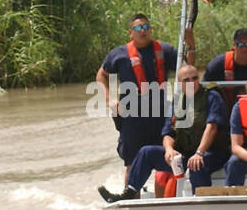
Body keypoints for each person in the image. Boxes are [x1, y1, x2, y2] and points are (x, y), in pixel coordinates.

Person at [97, 64, 231, 202]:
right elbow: (168, 131)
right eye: (186, 80)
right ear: (180, 83)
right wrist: (169, 150)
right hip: (186, 154)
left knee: (195, 164)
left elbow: (212, 127)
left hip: (212, 153)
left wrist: (199, 153)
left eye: (195, 78)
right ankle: (129, 193)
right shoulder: (178, 101)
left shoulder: (212, 97)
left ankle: (202, 203)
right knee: (146, 152)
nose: (191, 82)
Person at [95, 14, 194, 181]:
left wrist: (191, 46)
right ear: (130, 32)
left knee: (168, 159)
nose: (143, 31)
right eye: (138, 28)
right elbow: (101, 76)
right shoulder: (119, 54)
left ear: (151, 30)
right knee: (131, 163)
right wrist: (109, 100)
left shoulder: (165, 50)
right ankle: (131, 197)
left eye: (146, 27)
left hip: (159, 114)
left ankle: (164, 200)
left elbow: (188, 69)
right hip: (132, 116)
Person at [202, 27, 247, 103]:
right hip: (222, 108)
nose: (244, 48)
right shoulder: (217, 65)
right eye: (240, 44)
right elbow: (203, 87)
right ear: (234, 45)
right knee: (213, 95)